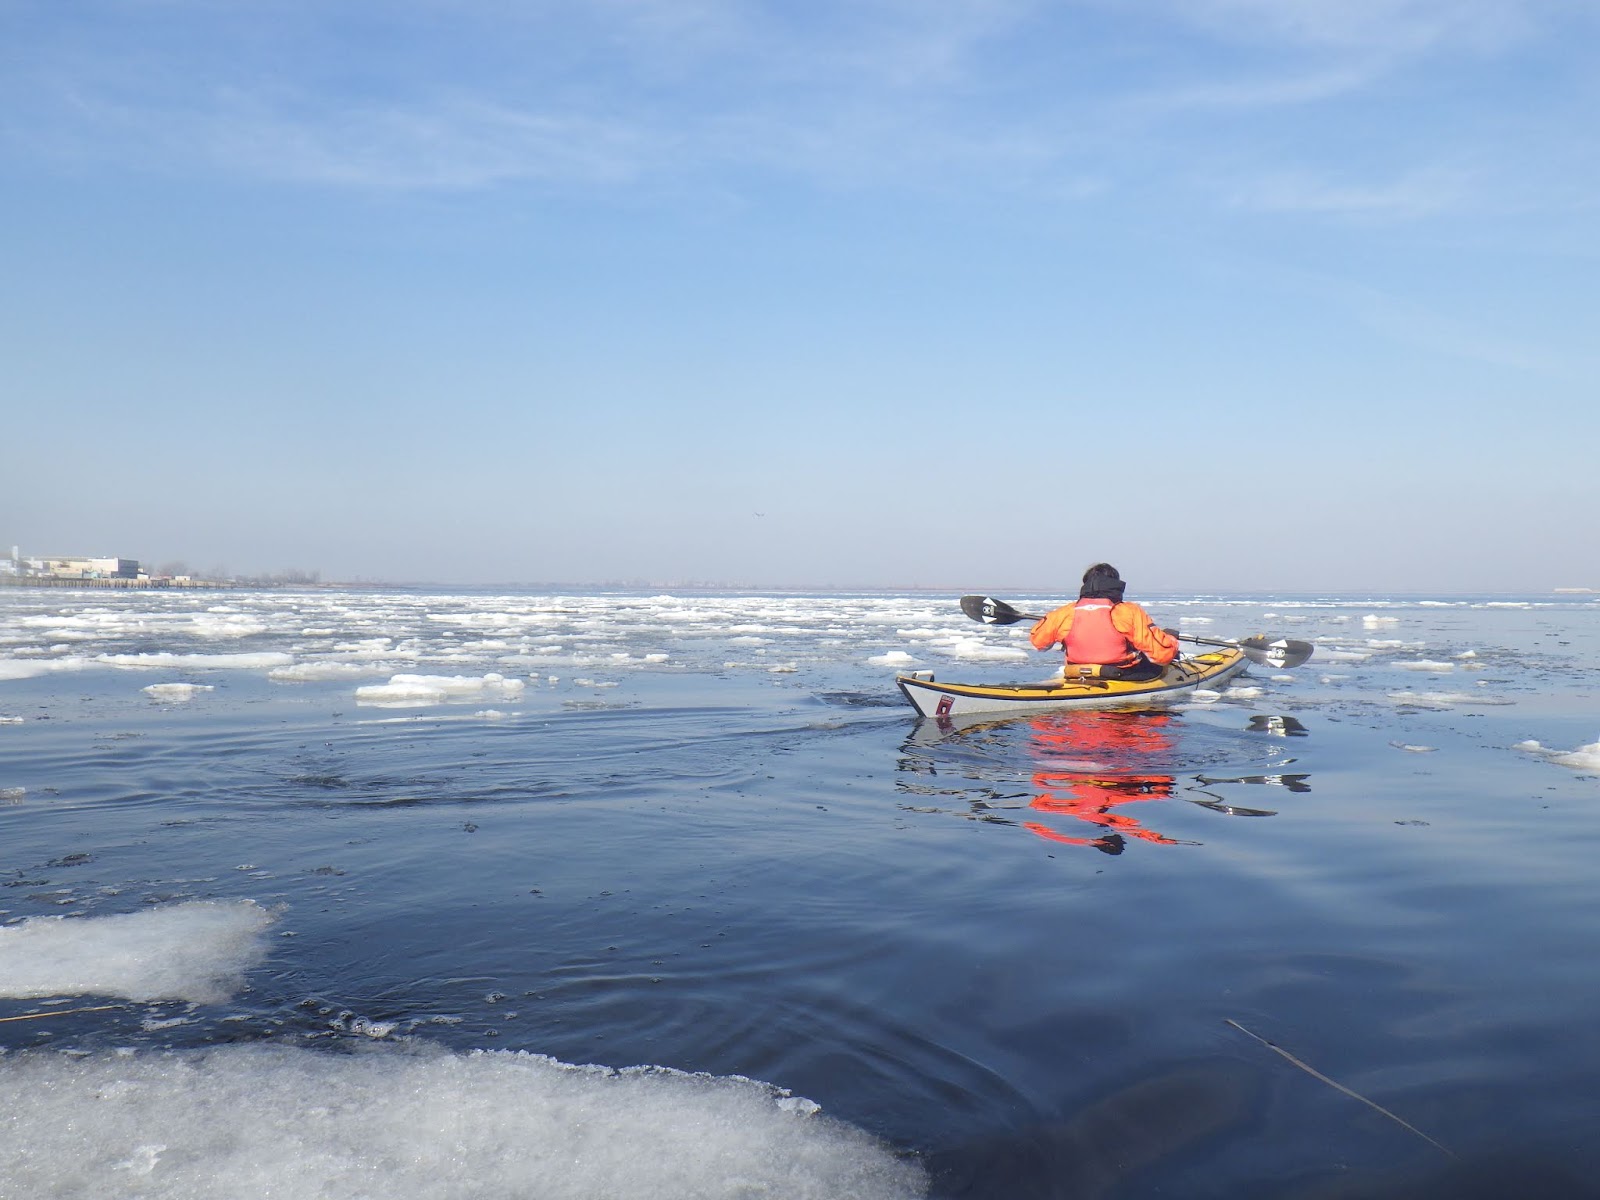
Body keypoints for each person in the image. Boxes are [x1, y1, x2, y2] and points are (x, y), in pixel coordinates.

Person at [1029, 563, 1178, 682]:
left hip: (1077, 673)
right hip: (1123, 675)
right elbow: (1163, 655)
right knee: (1160, 667)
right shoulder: (1129, 611)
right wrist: (1171, 639)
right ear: (1115, 584)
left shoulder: (1064, 612)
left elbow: (1039, 643)